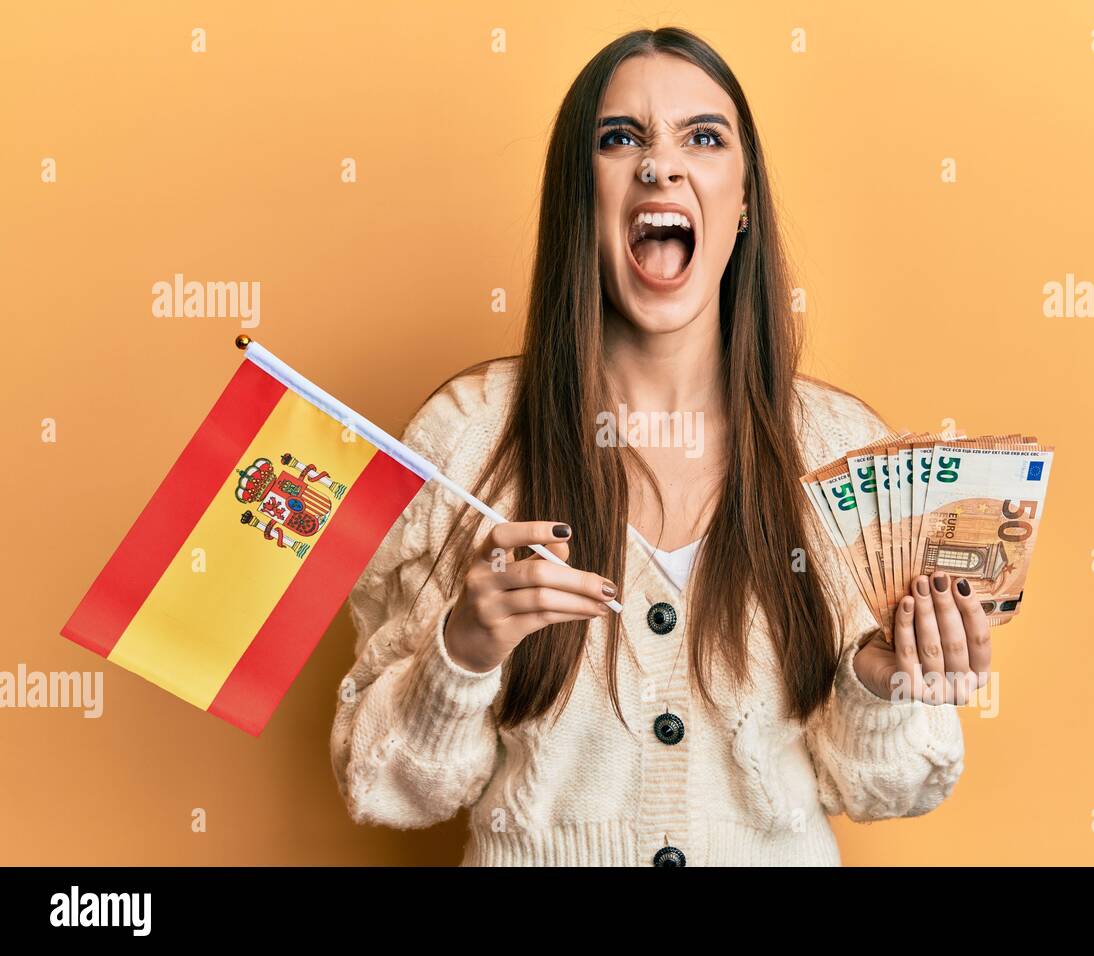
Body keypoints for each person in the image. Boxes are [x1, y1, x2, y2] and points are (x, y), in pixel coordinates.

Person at [330, 26, 987, 867]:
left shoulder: (841, 454)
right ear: (581, 195)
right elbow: (382, 783)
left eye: (702, 138)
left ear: (742, 199)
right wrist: (462, 651)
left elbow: (881, 787)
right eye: (620, 139)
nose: (659, 165)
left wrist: (886, 676)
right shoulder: (467, 437)